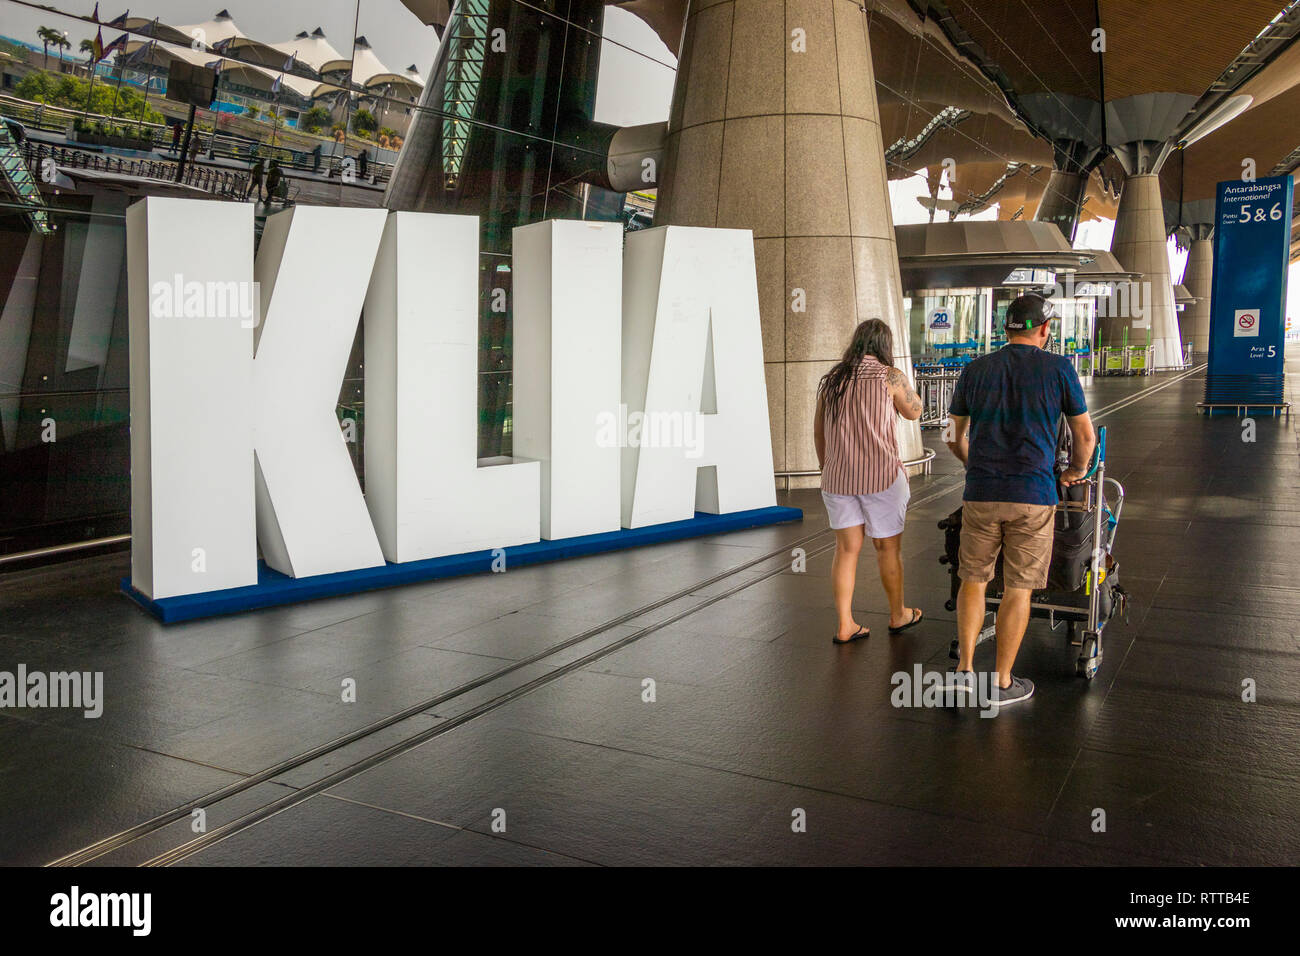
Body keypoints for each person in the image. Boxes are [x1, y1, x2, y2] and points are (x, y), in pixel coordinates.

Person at [944, 293, 1096, 706]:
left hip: (981, 493)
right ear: (1045, 329)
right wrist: (1074, 472)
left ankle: (964, 672)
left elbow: (953, 435)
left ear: (1007, 329)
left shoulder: (975, 370)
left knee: (972, 579)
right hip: (1034, 495)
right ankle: (1002, 681)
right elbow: (1084, 436)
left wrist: (970, 462)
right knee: (1017, 588)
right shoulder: (1059, 369)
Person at [814, 318, 925, 645]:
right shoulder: (890, 376)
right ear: (884, 345)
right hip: (882, 477)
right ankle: (898, 614)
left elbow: (819, 431)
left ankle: (845, 624)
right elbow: (915, 411)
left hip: (837, 478)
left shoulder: (832, 380)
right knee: (886, 548)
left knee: (846, 550)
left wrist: (827, 467)